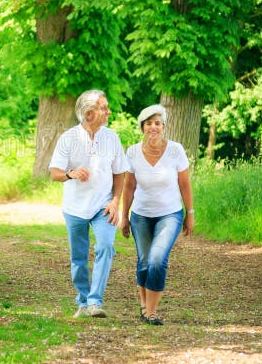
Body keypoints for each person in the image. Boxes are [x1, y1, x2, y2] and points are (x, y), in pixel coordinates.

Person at [49, 89, 128, 318]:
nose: (109, 112)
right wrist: (71, 173)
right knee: (79, 258)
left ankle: (95, 301)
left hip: (103, 205)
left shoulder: (112, 137)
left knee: (105, 246)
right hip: (75, 207)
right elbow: (55, 173)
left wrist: (115, 202)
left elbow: (119, 174)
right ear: (89, 113)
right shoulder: (69, 137)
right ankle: (83, 301)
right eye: (104, 108)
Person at [119, 104, 194, 325]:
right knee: (143, 261)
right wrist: (124, 216)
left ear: (164, 127)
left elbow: (185, 184)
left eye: (158, 123)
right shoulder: (132, 152)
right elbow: (129, 186)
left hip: (169, 214)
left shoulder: (176, 150)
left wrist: (190, 212)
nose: (153, 127)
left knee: (157, 259)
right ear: (142, 127)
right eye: (149, 123)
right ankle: (144, 307)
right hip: (141, 215)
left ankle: (151, 312)